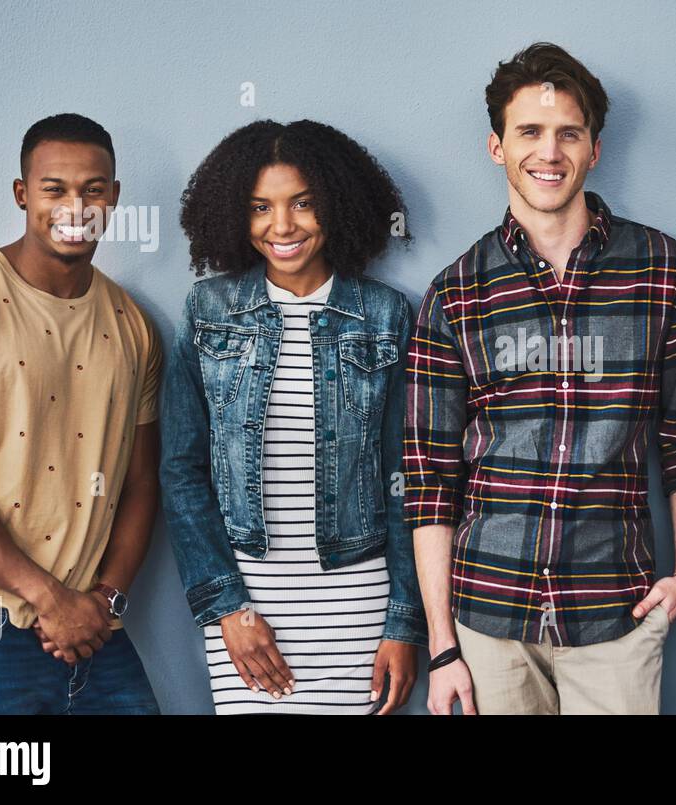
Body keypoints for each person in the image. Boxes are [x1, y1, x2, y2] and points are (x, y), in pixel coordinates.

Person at [407, 42, 676, 715]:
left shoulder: (666, 273)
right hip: (487, 621)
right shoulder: (454, 294)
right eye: (530, 132)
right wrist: (442, 645)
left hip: (615, 614)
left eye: (569, 132)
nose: (550, 152)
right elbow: (430, 483)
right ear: (497, 146)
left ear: (594, 148)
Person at [0, 113, 163, 714]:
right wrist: (49, 598)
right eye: (54, 188)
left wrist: (107, 601)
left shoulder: (134, 329)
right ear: (22, 194)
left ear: (114, 196)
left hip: (91, 626)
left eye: (93, 188)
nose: (76, 205)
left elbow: (142, 483)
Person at [162, 119, 425, 714]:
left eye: (302, 203)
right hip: (247, 608)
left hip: (359, 604)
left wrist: (404, 622)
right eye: (260, 207)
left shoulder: (385, 316)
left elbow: (407, 480)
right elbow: (182, 475)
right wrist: (227, 608)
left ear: (335, 204)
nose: (282, 226)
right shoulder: (209, 312)